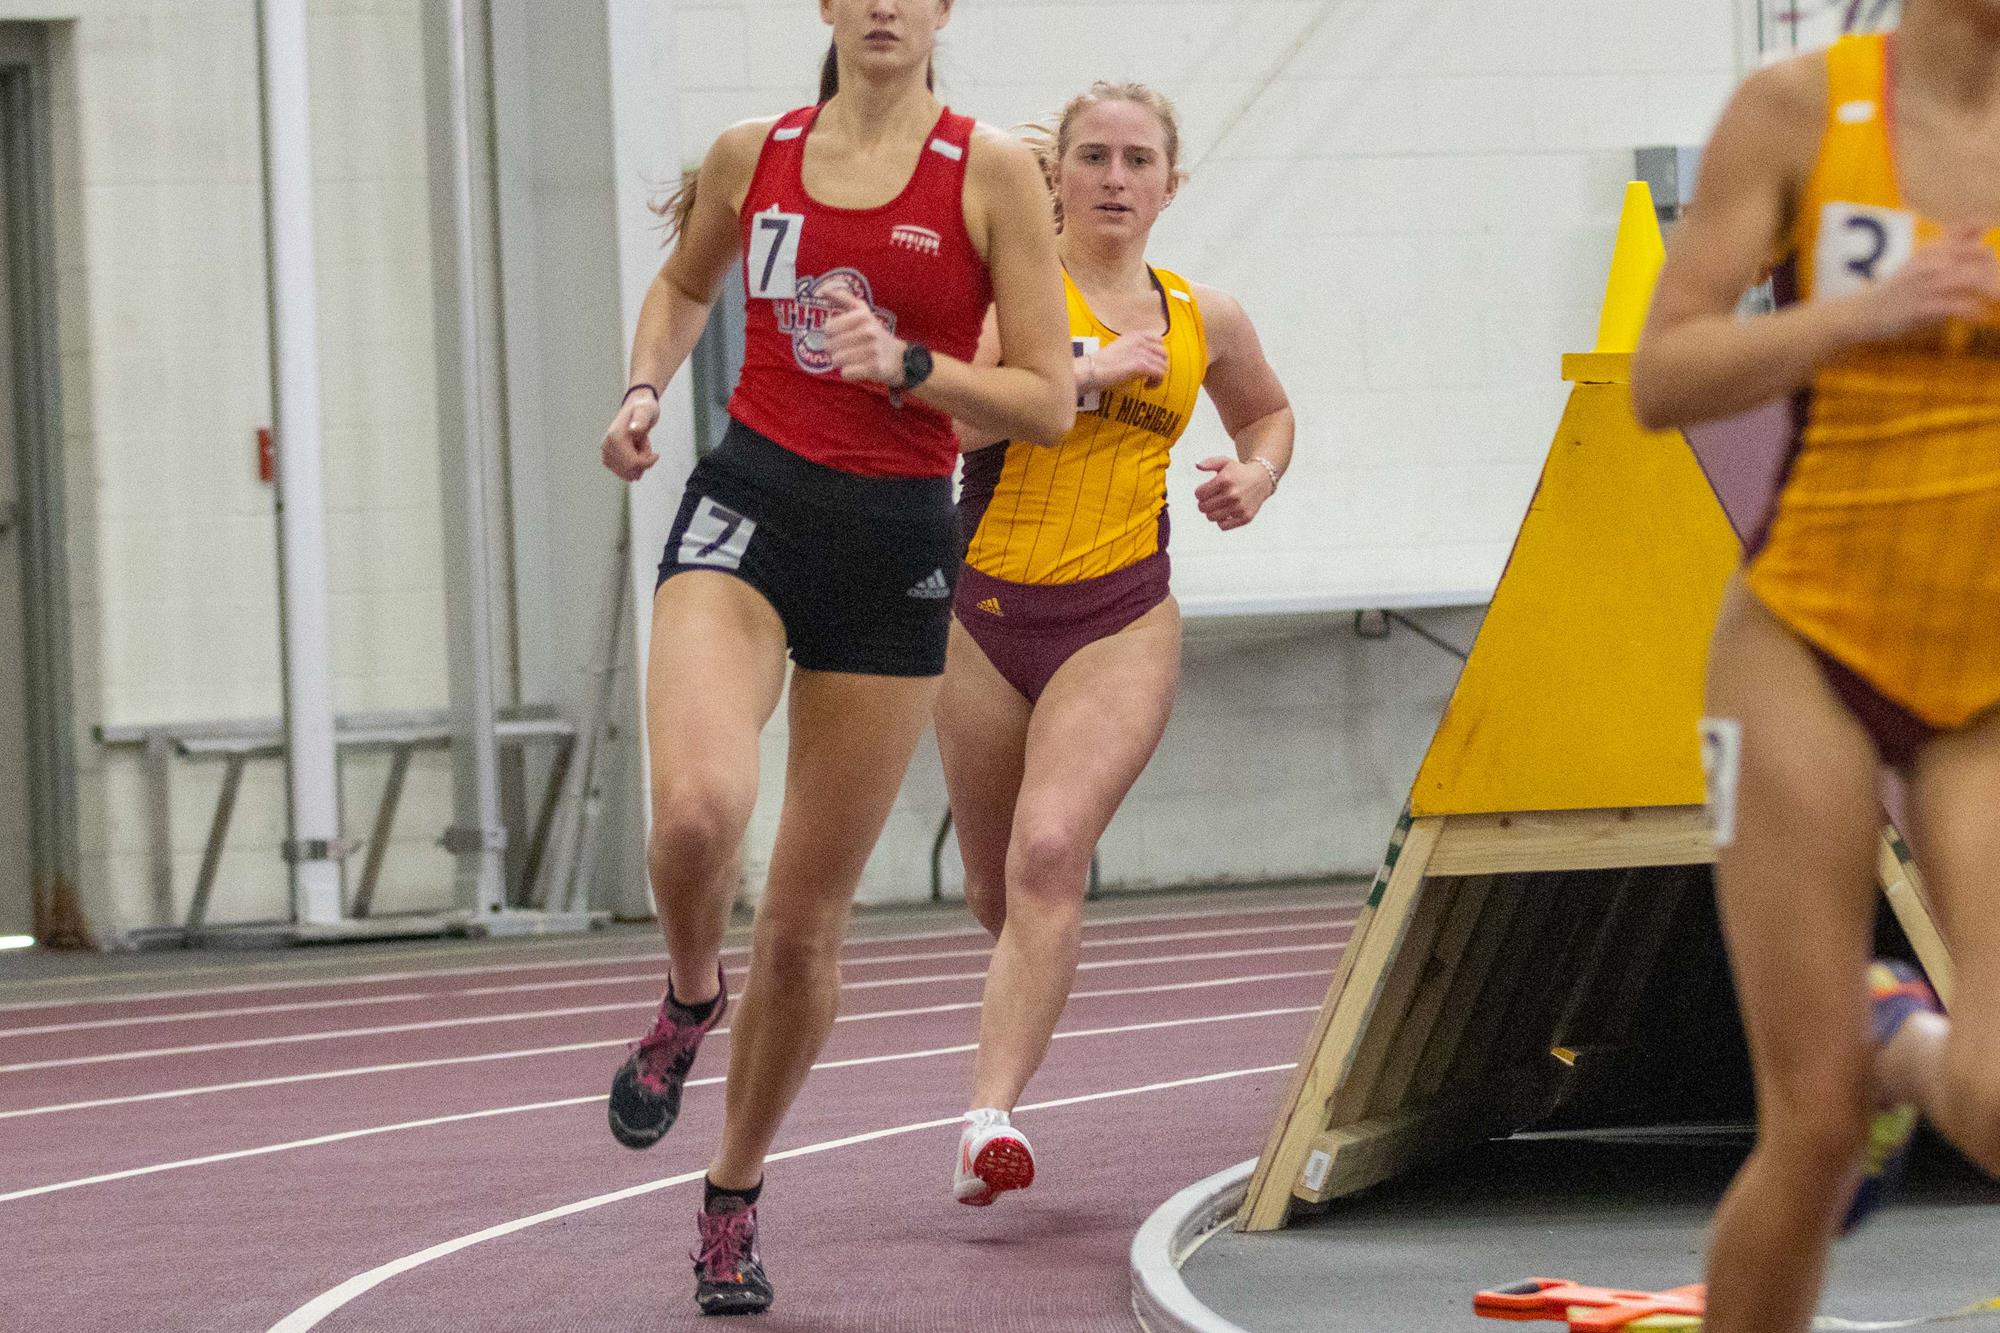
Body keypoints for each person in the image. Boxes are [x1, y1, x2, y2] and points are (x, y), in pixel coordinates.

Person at [597, 0, 1073, 1314]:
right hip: (751, 502)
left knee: (804, 932)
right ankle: (688, 995)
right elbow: (685, 284)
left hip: (894, 550)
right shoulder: (755, 152)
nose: (882, 6)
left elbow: (1045, 400)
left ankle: (731, 1196)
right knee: (697, 814)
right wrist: (643, 389)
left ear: (939, 12)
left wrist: (913, 365)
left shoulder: (986, 172)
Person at [1632, 6, 2000, 1330]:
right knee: (1814, 1124)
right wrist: (1861, 316)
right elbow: (1662, 374)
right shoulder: (1802, 107)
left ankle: (1900, 1036)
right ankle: (1862, 1065)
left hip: (1986, 674)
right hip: (1808, 640)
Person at [935, 81, 1295, 1206]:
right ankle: (1031, 972)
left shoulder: (1203, 317)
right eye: (1092, 155)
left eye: (1138, 160)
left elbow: (1268, 413)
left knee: (1050, 852)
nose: (1113, 177)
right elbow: (946, 422)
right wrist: (1079, 374)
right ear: (1055, 175)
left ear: (1170, 184)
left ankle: (986, 1120)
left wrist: (1257, 474)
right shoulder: (1008, 295)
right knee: (996, 889)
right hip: (984, 619)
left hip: (1119, 618)